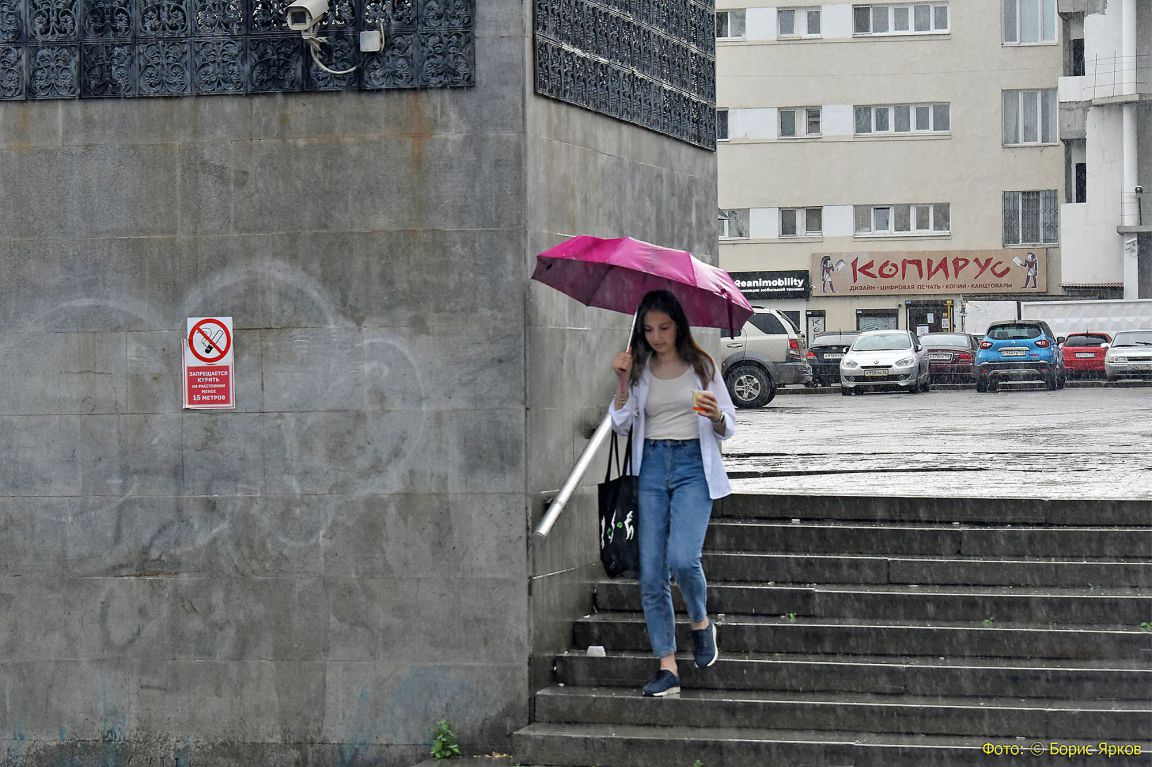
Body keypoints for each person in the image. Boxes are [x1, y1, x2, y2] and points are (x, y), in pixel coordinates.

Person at [607, 289, 737, 698]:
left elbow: (729, 424)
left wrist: (716, 415)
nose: (657, 337)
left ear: (678, 326)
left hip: (692, 467)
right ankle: (667, 666)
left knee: (682, 558)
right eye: (649, 330)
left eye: (664, 328)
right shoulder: (640, 368)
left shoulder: (702, 365)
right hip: (650, 468)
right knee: (651, 573)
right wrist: (622, 380)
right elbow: (621, 425)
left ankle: (700, 622)